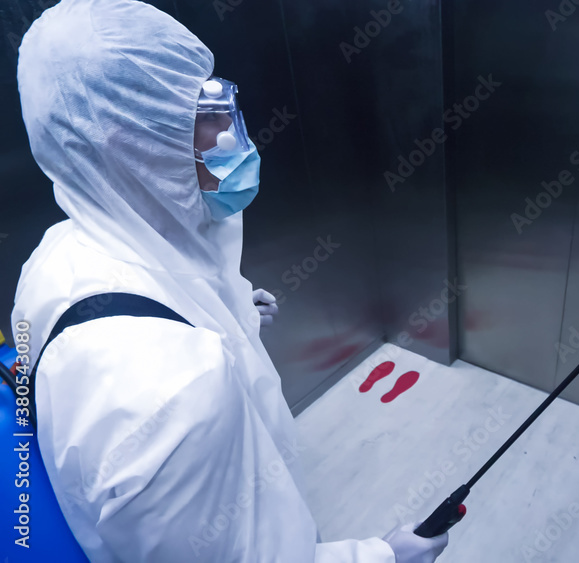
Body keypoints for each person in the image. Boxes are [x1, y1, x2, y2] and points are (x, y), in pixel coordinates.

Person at [11, 0, 448, 561]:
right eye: (200, 114)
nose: (230, 135)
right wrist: (383, 557)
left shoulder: (54, 258)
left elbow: (137, 314)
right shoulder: (176, 394)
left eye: (221, 102)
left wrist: (230, 317)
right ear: (131, 145)